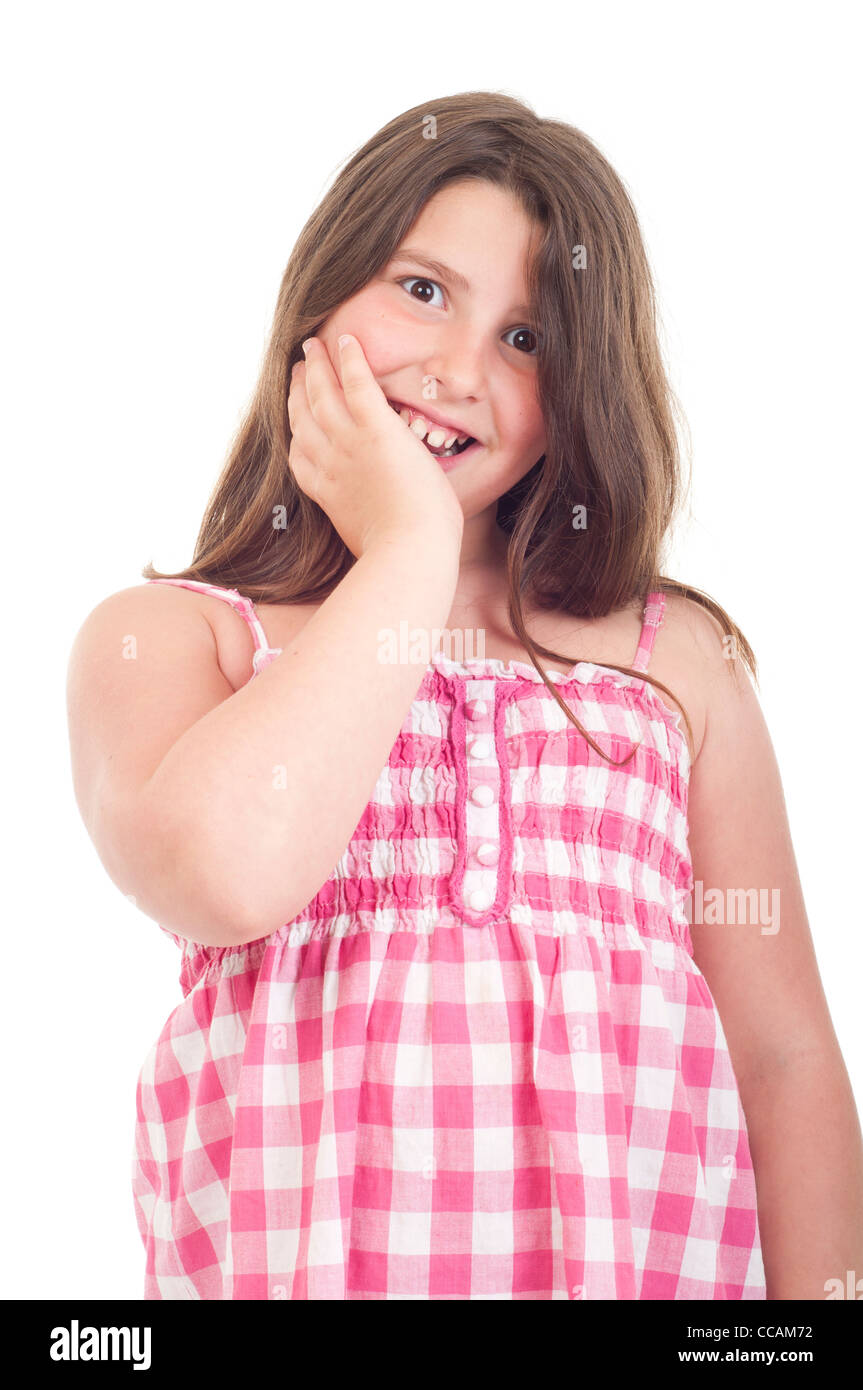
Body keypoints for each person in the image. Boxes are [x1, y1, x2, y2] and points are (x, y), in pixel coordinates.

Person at [66, 90, 863, 1300]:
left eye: (527, 338)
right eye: (423, 290)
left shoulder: (670, 668)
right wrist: (402, 555)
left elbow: (785, 1055)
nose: (455, 370)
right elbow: (225, 875)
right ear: (322, 295)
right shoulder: (177, 640)